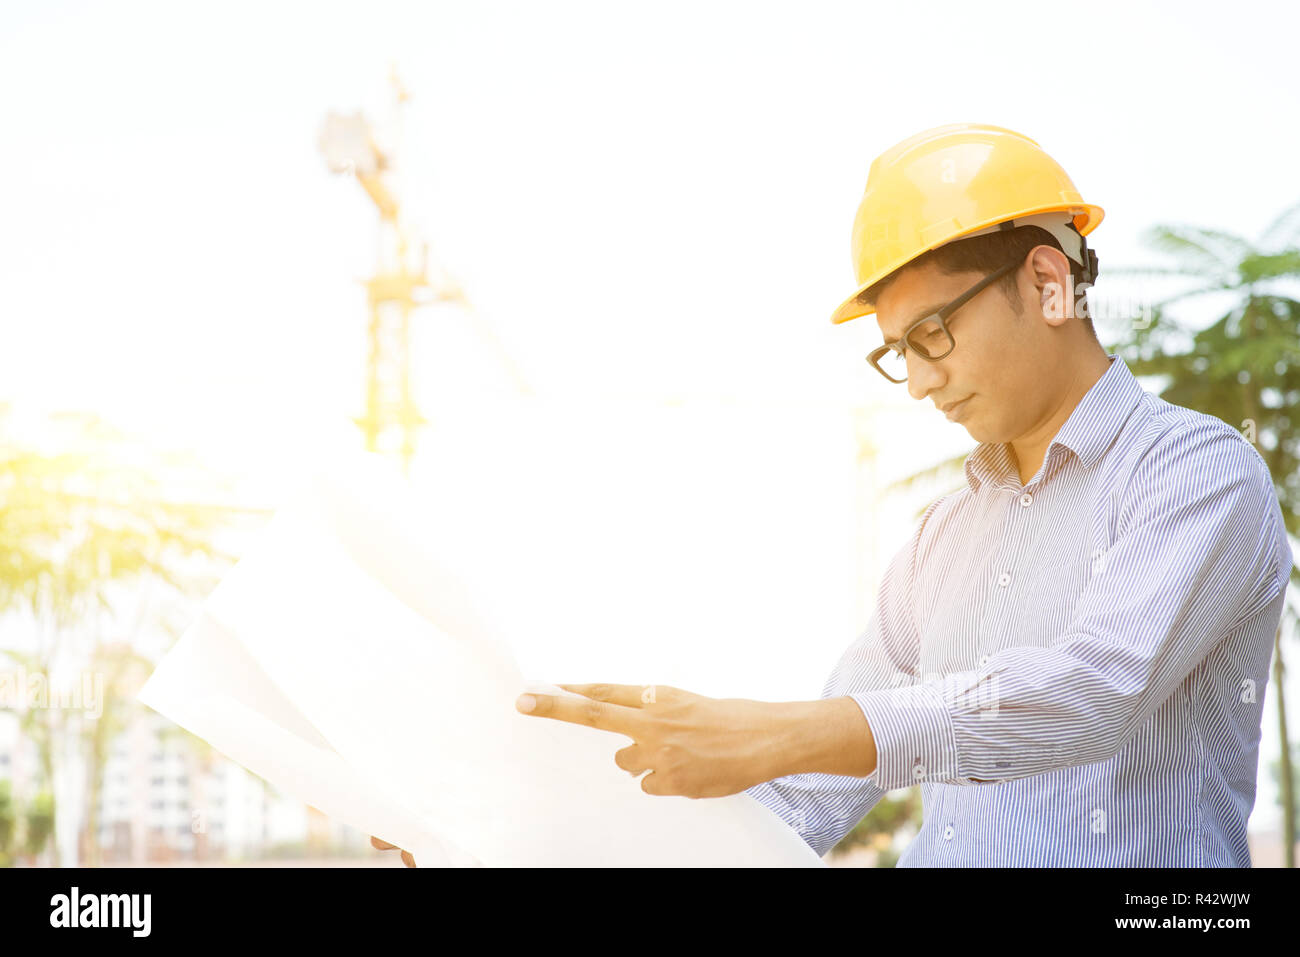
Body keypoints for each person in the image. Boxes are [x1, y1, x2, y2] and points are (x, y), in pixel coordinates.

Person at [377, 124, 1292, 867]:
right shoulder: (945, 536)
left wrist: (789, 732)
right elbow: (805, 796)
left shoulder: (1194, 473)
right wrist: (517, 833)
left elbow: (1091, 693)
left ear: (1048, 284)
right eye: (899, 353)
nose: (923, 385)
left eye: (932, 334)